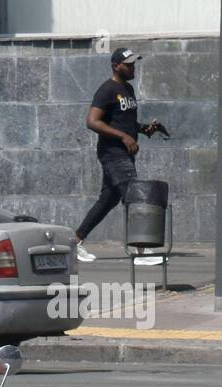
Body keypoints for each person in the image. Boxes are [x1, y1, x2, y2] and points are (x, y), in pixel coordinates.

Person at [74, 48, 164, 265]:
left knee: (108, 200)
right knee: (135, 196)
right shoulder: (106, 90)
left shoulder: (128, 89)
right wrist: (124, 137)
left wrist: (143, 129)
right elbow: (93, 121)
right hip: (112, 153)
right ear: (116, 66)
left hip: (124, 152)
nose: (133, 67)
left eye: (134, 63)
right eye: (129, 64)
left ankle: (73, 242)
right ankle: (140, 251)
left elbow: (124, 121)